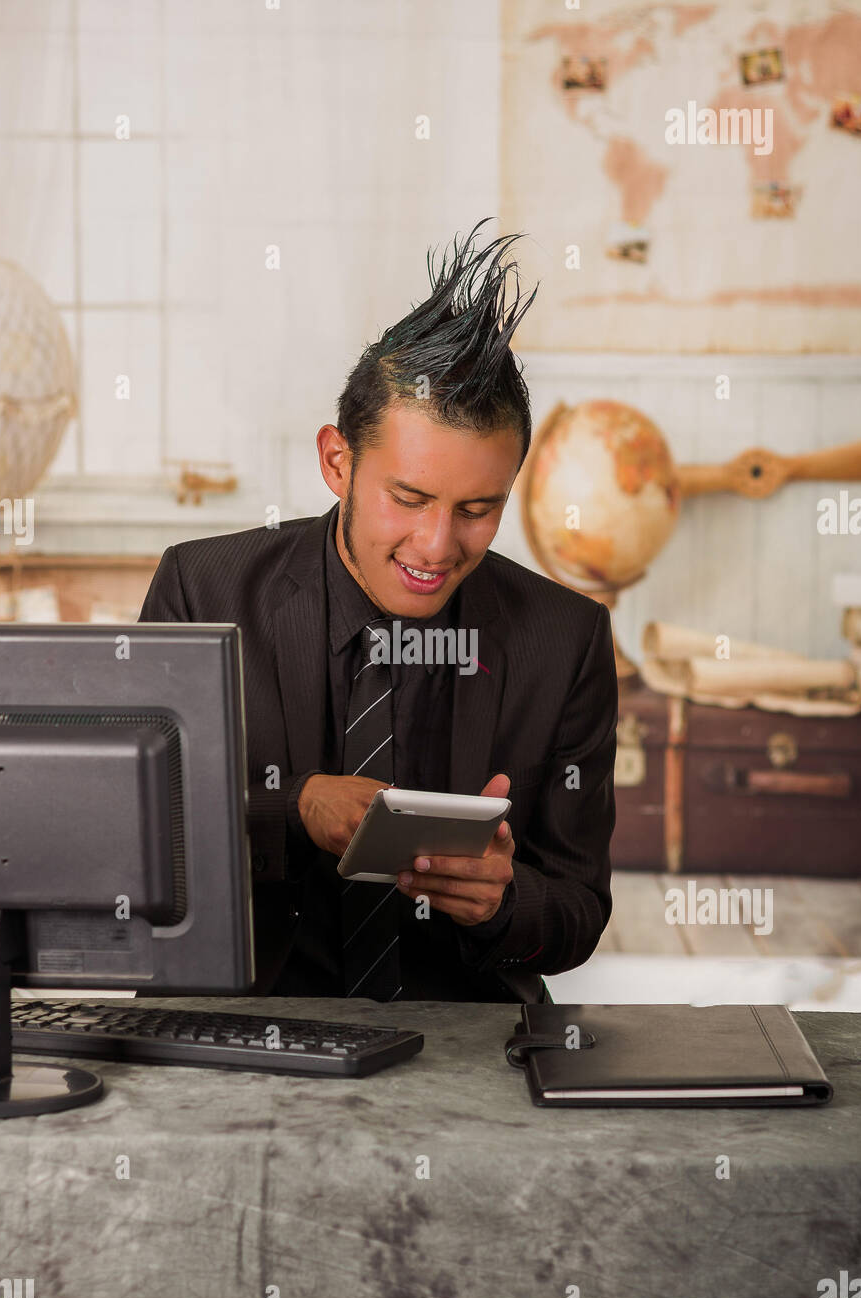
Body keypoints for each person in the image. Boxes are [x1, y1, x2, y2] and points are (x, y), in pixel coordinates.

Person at [139, 218, 618, 1004]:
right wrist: (292, 803)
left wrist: (503, 902)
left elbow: (577, 910)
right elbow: (134, 836)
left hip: (462, 1048)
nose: (435, 545)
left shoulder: (562, 639)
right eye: (409, 498)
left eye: (476, 508)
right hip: (230, 1025)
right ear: (337, 461)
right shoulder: (204, 590)